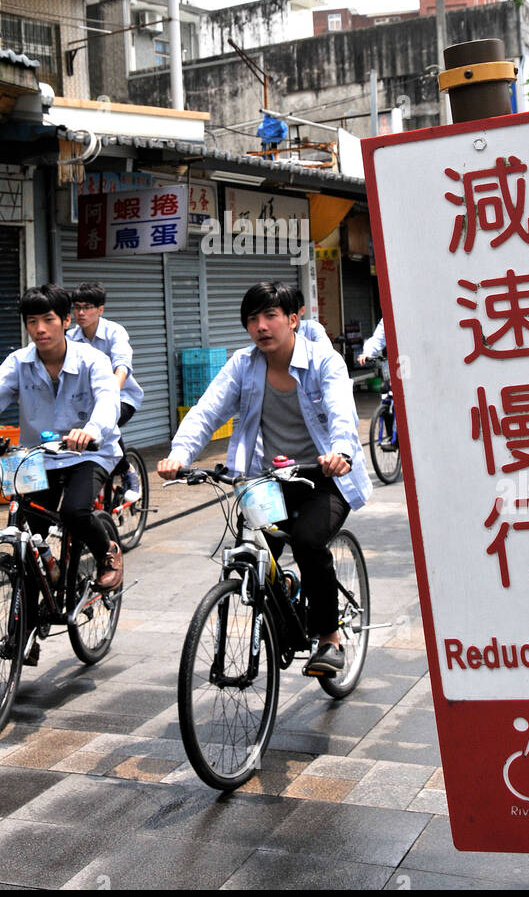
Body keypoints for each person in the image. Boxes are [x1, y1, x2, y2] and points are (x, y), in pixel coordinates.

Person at [157, 280, 371, 677]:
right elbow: (207, 412)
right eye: (252, 319)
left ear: (293, 319)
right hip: (268, 478)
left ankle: (329, 638)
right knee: (252, 552)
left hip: (324, 476)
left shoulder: (324, 362)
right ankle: (282, 604)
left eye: (270, 316)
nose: (261, 327)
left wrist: (341, 452)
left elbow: (343, 413)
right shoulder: (243, 364)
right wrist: (178, 455)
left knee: (308, 541)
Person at [0, 284, 124, 664]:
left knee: (74, 512)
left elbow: (108, 399)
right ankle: (24, 632)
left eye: (48, 320)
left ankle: (107, 552)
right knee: (26, 536)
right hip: (36, 456)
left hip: (88, 453)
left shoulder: (91, 360)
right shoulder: (19, 362)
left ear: (66, 321)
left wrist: (92, 429)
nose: (40, 329)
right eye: (32, 321)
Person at [67, 281, 143, 502]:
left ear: (100, 309)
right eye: (77, 307)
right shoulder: (71, 338)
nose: (81, 312)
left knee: (105, 423)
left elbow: (122, 366)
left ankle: (128, 471)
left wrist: (109, 396)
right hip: (86, 403)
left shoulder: (114, 332)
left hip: (122, 398)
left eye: (87, 307)